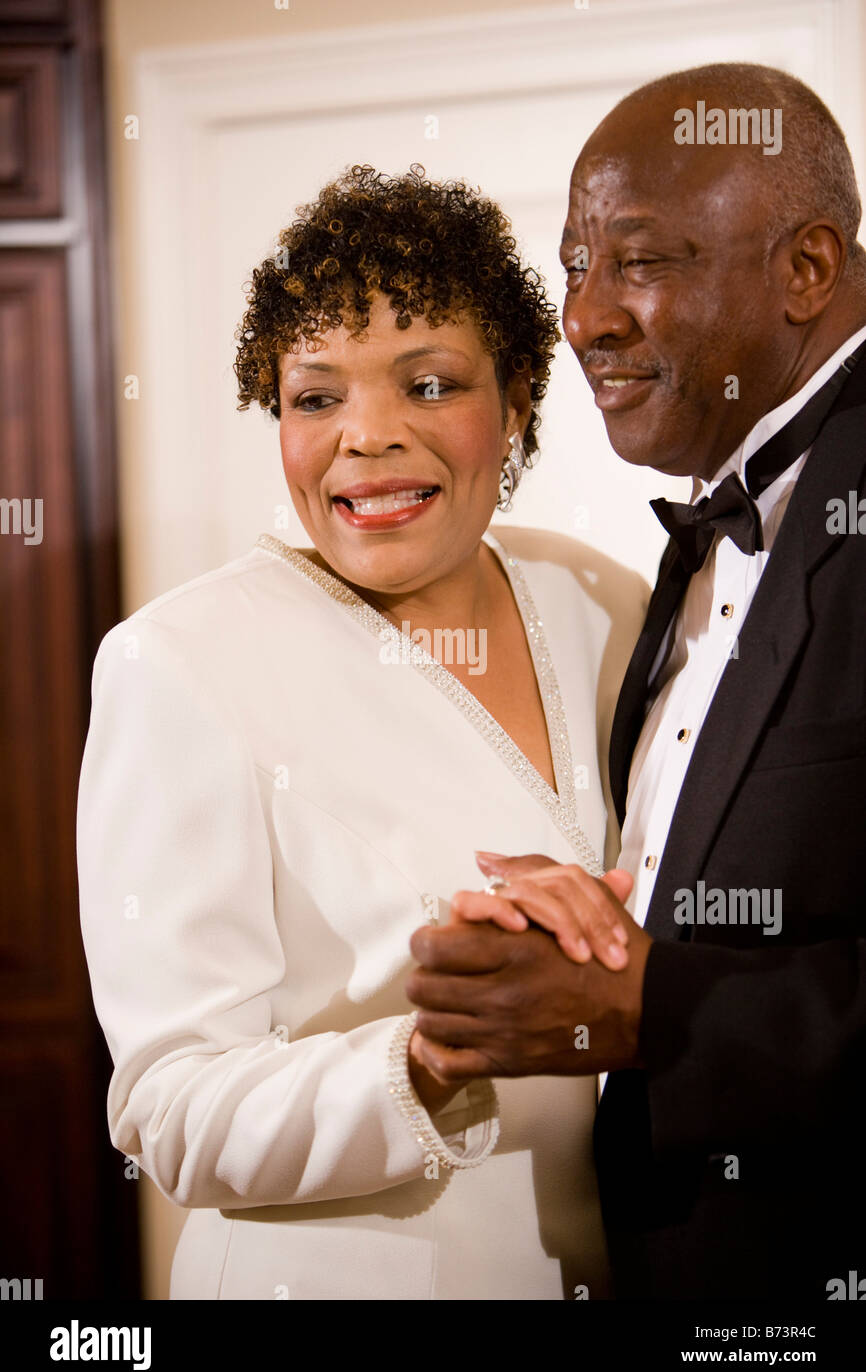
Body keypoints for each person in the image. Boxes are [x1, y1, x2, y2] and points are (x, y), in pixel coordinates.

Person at [76, 165, 647, 1300]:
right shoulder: (181, 661)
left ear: (518, 397)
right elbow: (164, 1109)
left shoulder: (606, 604)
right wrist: (428, 1058)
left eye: (428, 385)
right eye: (315, 396)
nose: (367, 437)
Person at [408, 63, 866, 1300]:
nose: (586, 317)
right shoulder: (695, 538)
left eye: (641, 261)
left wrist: (647, 1004)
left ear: (807, 269)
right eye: (572, 265)